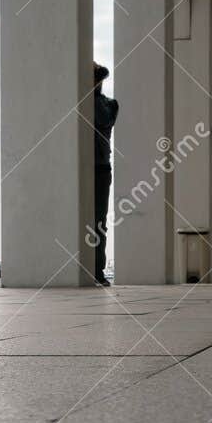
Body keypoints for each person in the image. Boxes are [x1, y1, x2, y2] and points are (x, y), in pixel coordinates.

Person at [93, 62, 119, 286]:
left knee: (98, 221)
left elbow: (101, 118)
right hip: (84, 167)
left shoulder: (109, 105)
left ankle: (96, 270)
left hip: (99, 169)